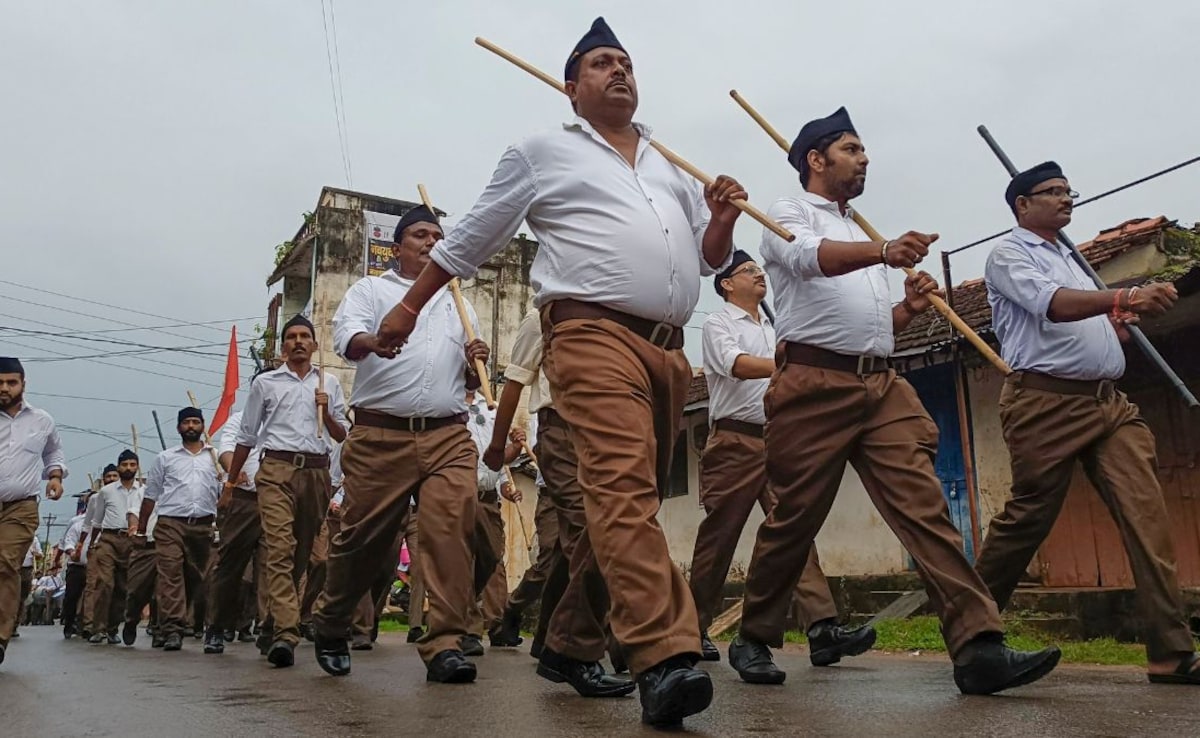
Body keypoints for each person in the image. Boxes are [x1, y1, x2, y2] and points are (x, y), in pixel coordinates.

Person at [382, 18, 748, 727]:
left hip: (668, 350)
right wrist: (407, 306)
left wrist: (723, 219)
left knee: (626, 501)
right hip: (589, 333)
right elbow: (474, 234)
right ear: (572, 86)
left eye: (628, 63)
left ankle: (570, 640)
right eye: (603, 63)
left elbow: (704, 262)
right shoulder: (541, 150)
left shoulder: (667, 162)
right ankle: (664, 654)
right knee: (620, 488)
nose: (621, 72)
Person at [729, 107, 1061, 696]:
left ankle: (978, 646)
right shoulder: (787, 213)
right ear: (816, 159)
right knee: (795, 518)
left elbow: (869, 325)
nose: (864, 159)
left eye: (865, 152)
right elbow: (811, 259)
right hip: (813, 385)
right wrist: (883, 253)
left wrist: (906, 305)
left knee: (924, 508)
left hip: (881, 385)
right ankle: (754, 634)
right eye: (852, 150)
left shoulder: (859, 228)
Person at [973, 161, 1199, 685]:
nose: (1065, 199)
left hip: (1109, 405)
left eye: (1067, 191)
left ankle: (1171, 652)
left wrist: (1113, 324)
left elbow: (1090, 319)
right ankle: (970, 627)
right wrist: (1123, 296)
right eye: (1050, 192)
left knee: (1147, 519)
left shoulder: (1073, 259)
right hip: (1045, 404)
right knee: (1028, 518)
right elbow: (1052, 306)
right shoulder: (1009, 254)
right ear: (1022, 205)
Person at [311, 203, 492, 685]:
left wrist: (476, 360)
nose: (431, 241)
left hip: (449, 435)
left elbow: (466, 377)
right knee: (362, 541)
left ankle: (445, 642)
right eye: (419, 234)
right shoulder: (371, 290)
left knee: (450, 532)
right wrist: (374, 341)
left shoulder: (460, 301)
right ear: (398, 247)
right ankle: (331, 621)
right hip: (380, 436)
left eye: (437, 234)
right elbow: (347, 339)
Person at [689, 250, 876, 666]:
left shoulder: (777, 328)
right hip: (735, 442)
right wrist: (789, 361)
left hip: (780, 439)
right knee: (720, 537)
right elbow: (736, 366)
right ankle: (690, 628)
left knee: (793, 531)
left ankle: (822, 627)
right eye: (749, 271)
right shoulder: (720, 322)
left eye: (760, 271)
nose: (760, 276)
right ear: (726, 284)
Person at [482, 310, 624, 695]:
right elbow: (515, 382)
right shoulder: (538, 318)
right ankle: (584, 650)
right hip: (559, 431)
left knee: (568, 550)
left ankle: (549, 639)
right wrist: (497, 444)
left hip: (605, 432)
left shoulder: (610, 316)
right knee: (586, 533)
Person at [225, 315, 348, 667]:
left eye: (304, 336)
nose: (298, 341)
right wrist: (231, 482)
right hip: (276, 469)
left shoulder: (330, 383)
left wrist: (326, 411)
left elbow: (342, 437)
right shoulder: (266, 383)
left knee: (306, 555)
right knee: (279, 548)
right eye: (291, 336)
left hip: (316, 473)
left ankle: (271, 622)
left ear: (313, 345)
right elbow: (246, 435)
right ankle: (287, 634)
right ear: (283, 347)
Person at [136, 407, 221, 652]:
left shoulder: (214, 458)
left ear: (203, 426)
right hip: (170, 523)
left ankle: (174, 622)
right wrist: (142, 530)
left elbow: (224, 494)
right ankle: (173, 629)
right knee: (170, 573)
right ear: (178, 428)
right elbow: (150, 496)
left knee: (196, 577)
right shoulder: (165, 458)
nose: (191, 426)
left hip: (203, 526)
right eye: (186, 422)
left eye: (196, 422)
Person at [0, 356, 66, 666]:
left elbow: (54, 451)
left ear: (23, 384)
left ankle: (0, 637)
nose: (4, 388)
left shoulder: (42, 420)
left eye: (11, 382)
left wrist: (54, 476)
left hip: (21, 507)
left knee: (4, 564)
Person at [464, 388, 524, 655]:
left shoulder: (491, 407)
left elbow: (499, 464)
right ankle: (468, 629)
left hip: (488, 499)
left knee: (491, 557)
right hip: (460, 496)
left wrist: (517, 446)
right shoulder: (447, 402)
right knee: (462, 560)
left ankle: (490, 618)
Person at [206, 407, 265, 656]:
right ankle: (217, 627)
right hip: (244, 499)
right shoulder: (241, 418)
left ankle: (271, 629)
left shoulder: (295, 416)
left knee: (273, 566)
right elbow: (226, 451)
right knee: (230, 566)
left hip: (279, 500)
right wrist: (234, 470)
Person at [77, 450, 143, 644]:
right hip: (108, 540)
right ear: (119, 466)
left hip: (131, 542)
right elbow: (96, 522)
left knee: (124, 587)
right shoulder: (105, 492)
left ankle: (112, 627)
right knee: (105, 583)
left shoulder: (143, 491)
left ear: (137, 466)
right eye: (125, 465)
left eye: (132, 464)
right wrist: (92, 545)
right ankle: (98, 628)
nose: (128, 468)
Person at [79, 464, 119, 639]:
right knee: (94, 585)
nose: (111, 479)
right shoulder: (97, 498)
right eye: (108, 476)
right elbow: (89, 524)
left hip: (123, 544)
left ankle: (111, 626)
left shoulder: (134, 493)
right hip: (98, 545)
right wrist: (82, 544)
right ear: (103, 480)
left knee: (117, 586)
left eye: (114, 476)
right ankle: (90, 624)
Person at [56, 493, 91, 639]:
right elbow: (67, 541)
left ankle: (88, 625)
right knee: (72, 596)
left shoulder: (108, 524)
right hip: (77, 566)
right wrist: (71, 552)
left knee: (93, 596)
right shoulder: (77, 523)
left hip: (96, 567)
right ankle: (69, 623)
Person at [15, 536, 42, 637]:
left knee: (22, 598)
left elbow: (40, 555)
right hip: (13, 568)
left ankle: (15, 624)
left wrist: (35, 553)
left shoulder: (33, 539)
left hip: (26, 570)